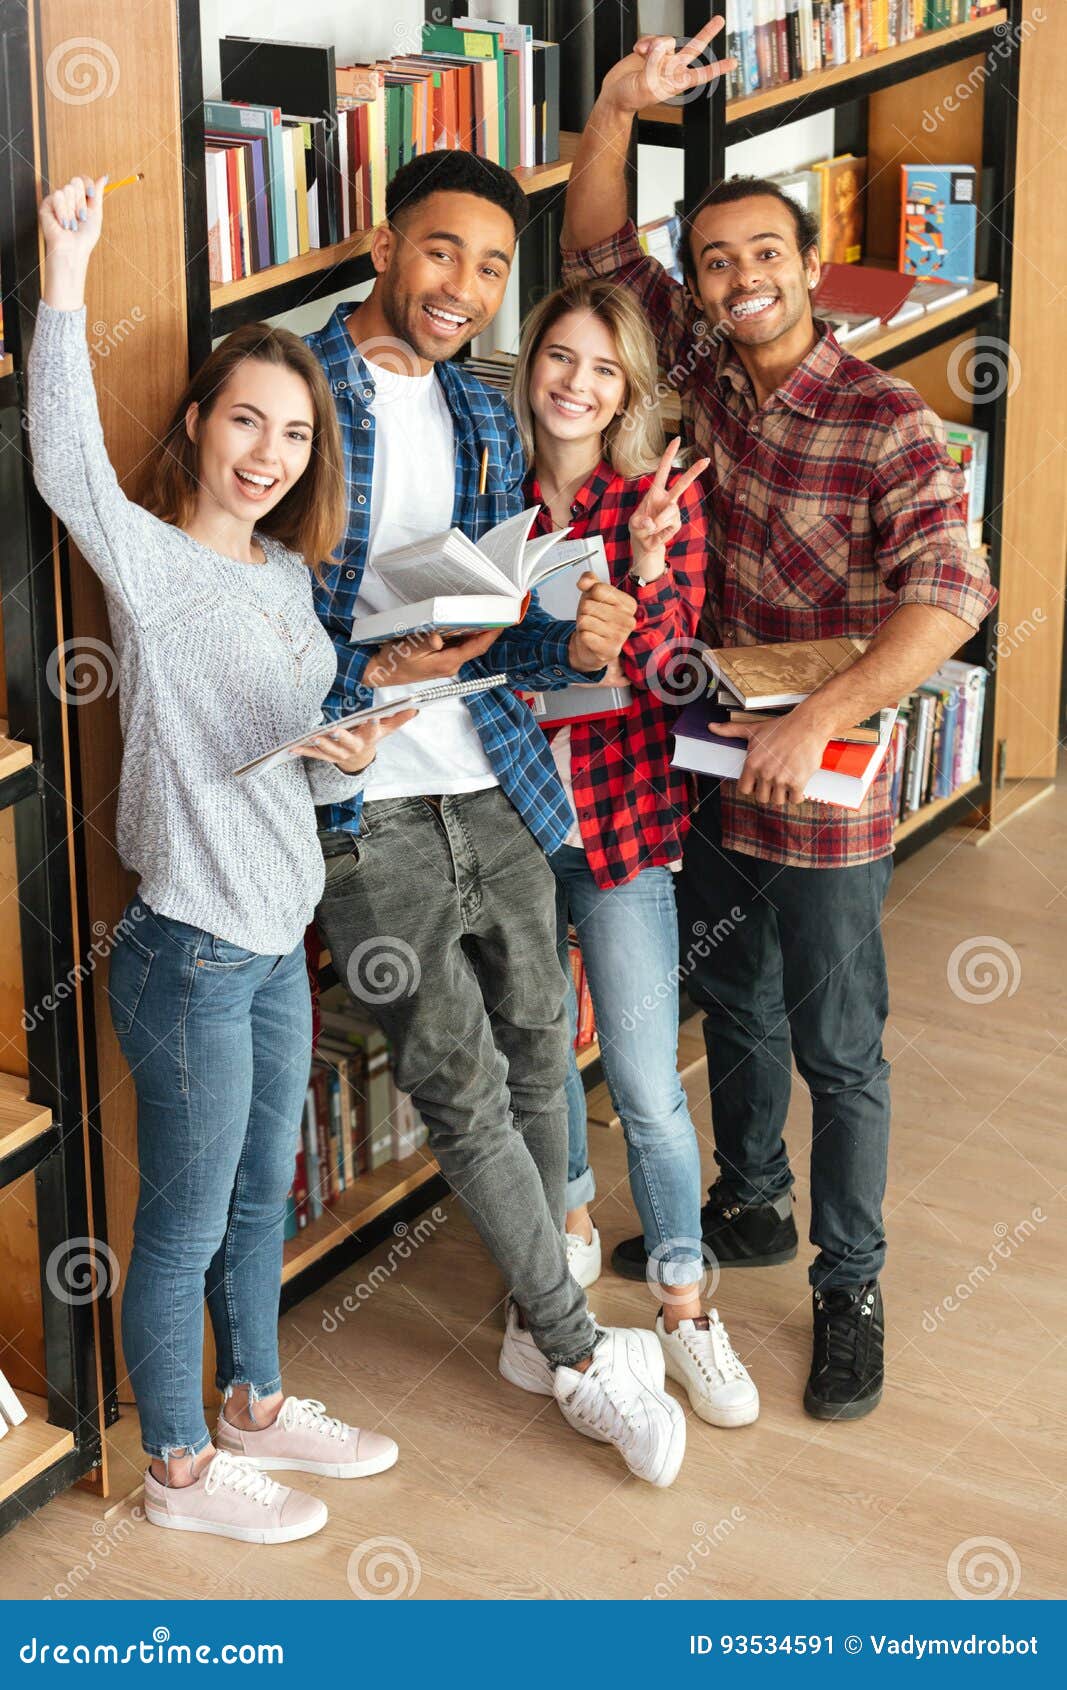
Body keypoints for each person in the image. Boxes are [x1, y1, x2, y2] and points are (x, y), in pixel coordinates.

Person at [560, 20, 998, 1420]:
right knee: (729, 1011)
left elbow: (949, 597)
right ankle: (746, 1205)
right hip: (695, 778)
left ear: (808, 267)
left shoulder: (884, 422)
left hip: (820, 794)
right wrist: (618, 105)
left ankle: (846, 1284)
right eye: (711, 260)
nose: (738, 280)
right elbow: (588, 258)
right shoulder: (684, 367)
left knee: (837, 1046)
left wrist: (820, 718)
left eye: (763, 255)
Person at [29, 174, 415, 1545]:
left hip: (274, 928)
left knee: (262, 1188)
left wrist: (343, 745)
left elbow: (285, 725)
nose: (266, 451)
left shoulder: (281, 576)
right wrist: (65, 267)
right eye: (244, 418)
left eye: (293, 432)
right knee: (185, 1218)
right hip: (190, 943)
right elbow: (64, 458)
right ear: (195, 423)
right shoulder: (150, 564)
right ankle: (179, 1471)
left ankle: (252, 1396)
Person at [305, 149, 686, 1488]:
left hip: (498, 777)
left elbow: (492, 639)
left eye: (487, 266)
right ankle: (582, 1357)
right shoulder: (298, 397)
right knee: (455, 1081)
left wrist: (576, 639)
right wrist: (373, 673)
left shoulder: (478, 415)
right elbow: (257, 639)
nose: (461, 286)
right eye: (438, 252)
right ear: (378, 241)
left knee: (539, 1051)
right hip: (367, 807)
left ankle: (534, 1326)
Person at [510, 278, 758, 1429]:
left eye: (603, 369)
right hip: (509, 825)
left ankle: (680, 1304)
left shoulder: (651, 500)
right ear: (532, 366)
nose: (576, 383)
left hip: (618, 830)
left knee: (649, 1089)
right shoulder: (490, 494)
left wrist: (649, 572)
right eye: (560, 357)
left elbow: (666, 681)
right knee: (538, 1064)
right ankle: (557, 1268)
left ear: (627, 392)